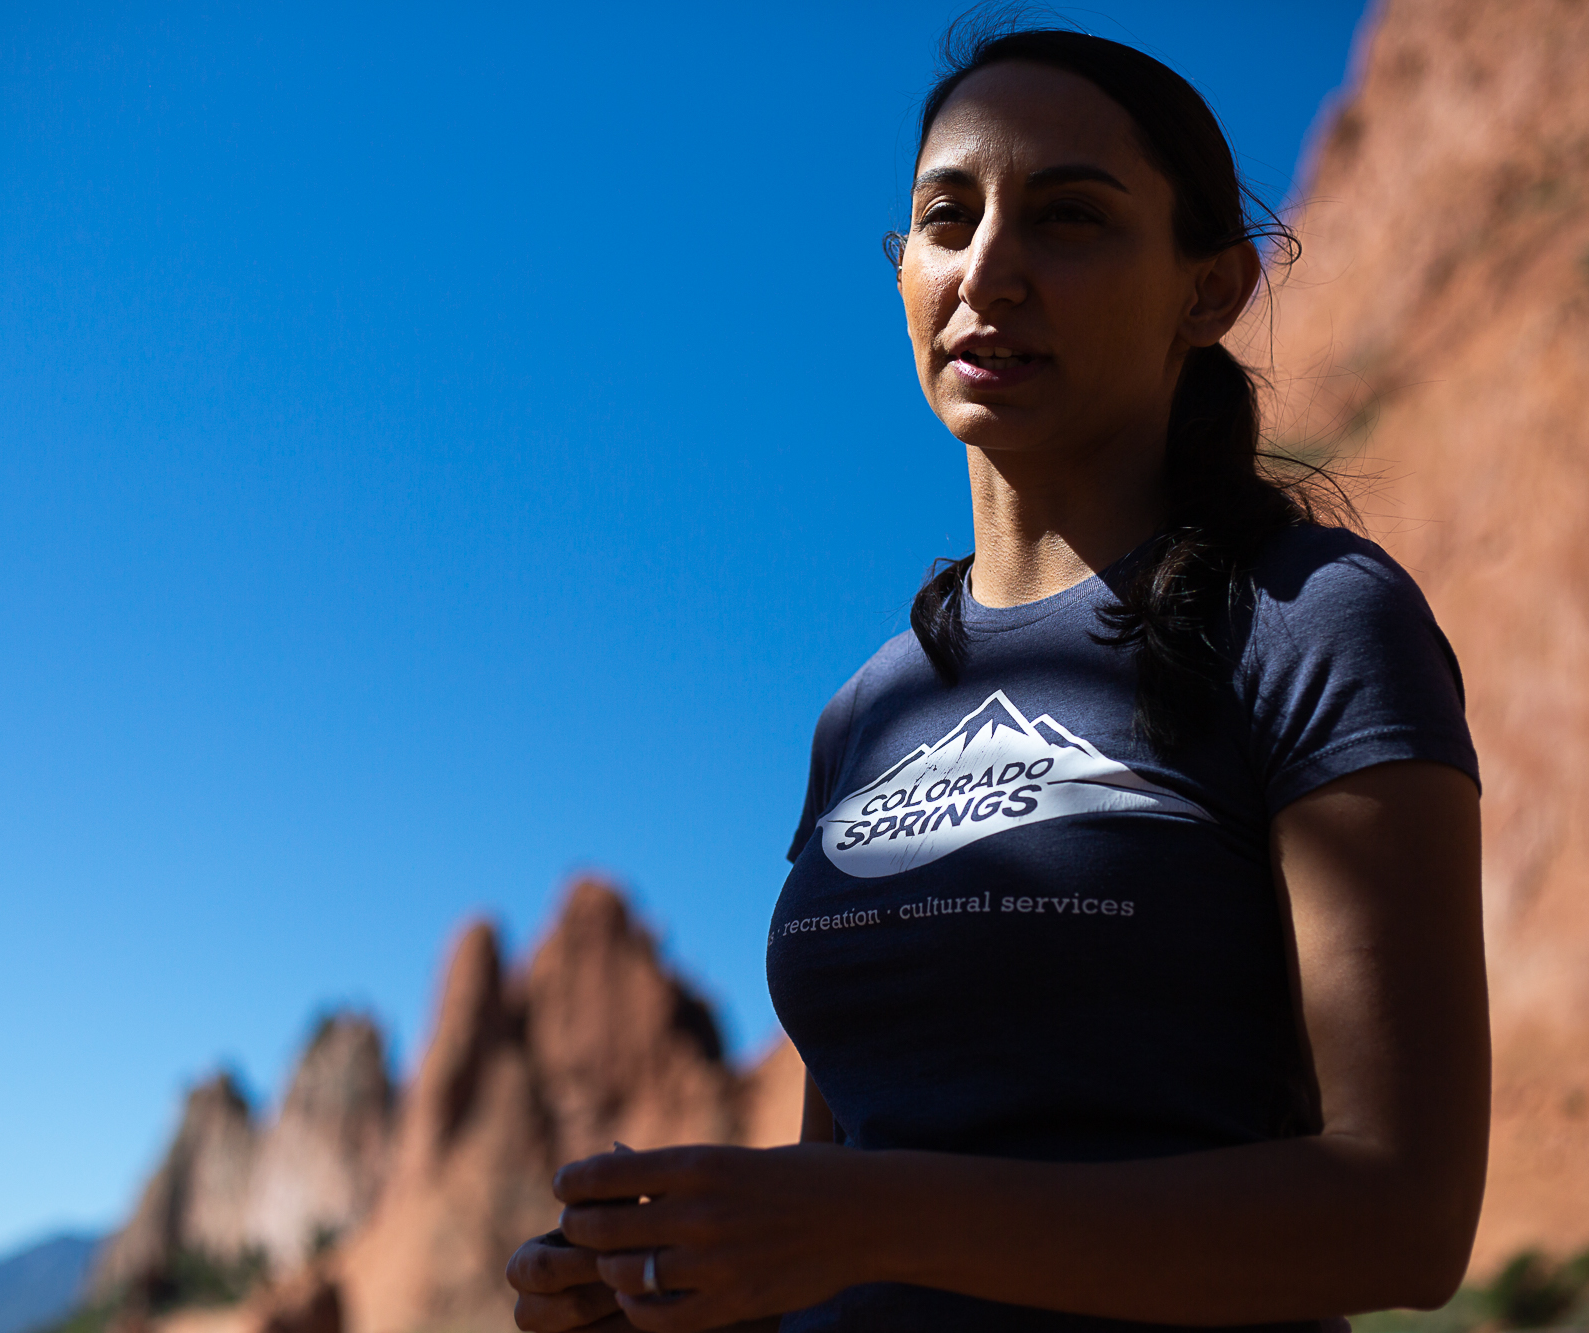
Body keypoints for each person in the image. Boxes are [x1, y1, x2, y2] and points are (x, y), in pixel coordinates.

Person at [507, 21, 1488, 1333]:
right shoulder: (868, 710)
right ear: (900, 266)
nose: (992, 270)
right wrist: (673, 1287)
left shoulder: (1312, 620)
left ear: (1210, 291)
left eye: (1070, 219)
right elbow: (841, 1203)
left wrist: (863, 1215)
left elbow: (1402, 1215)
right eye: (947, 218)